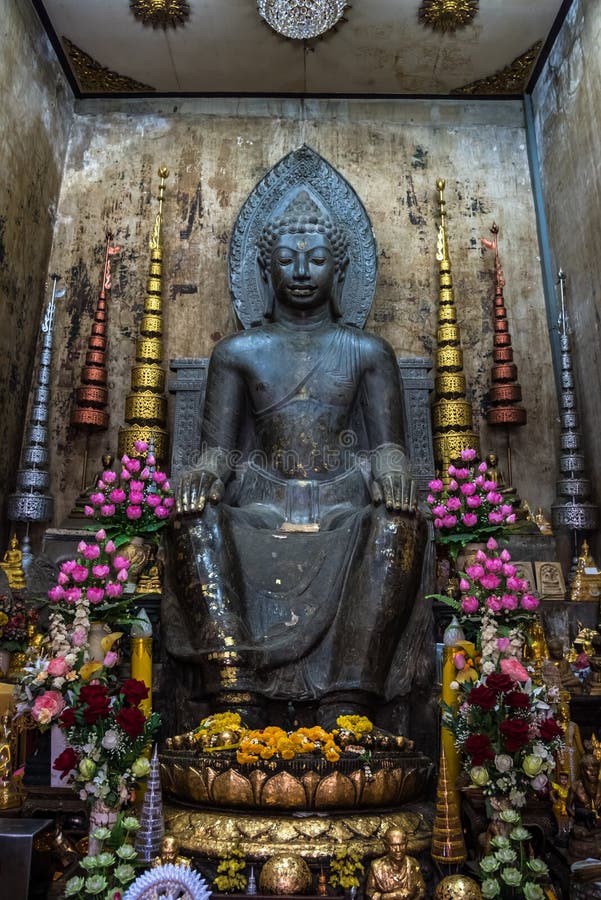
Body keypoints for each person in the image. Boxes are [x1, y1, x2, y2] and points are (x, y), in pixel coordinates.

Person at [170, 190, 426, 728]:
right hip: (260, 505)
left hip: (342, 504)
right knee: (193, 522)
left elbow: (387, 447)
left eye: (316, 259)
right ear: (266, 268)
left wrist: (393, 468)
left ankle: (350, 703)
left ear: (341, 266)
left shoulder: (367, 352)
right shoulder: (238, 353)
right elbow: (218, 449)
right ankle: (233, 697)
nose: (302, 271)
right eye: (287, 259)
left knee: (398, 527)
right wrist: (205, 471)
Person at [365, 827, 425, 900]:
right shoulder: (376, 867)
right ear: (386, 846)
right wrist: (391, 896)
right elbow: (370, 894)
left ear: (406, 844)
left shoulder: (413, 864)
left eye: (401, 844)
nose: (398, 850)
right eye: (393, 845)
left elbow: (421, 890)